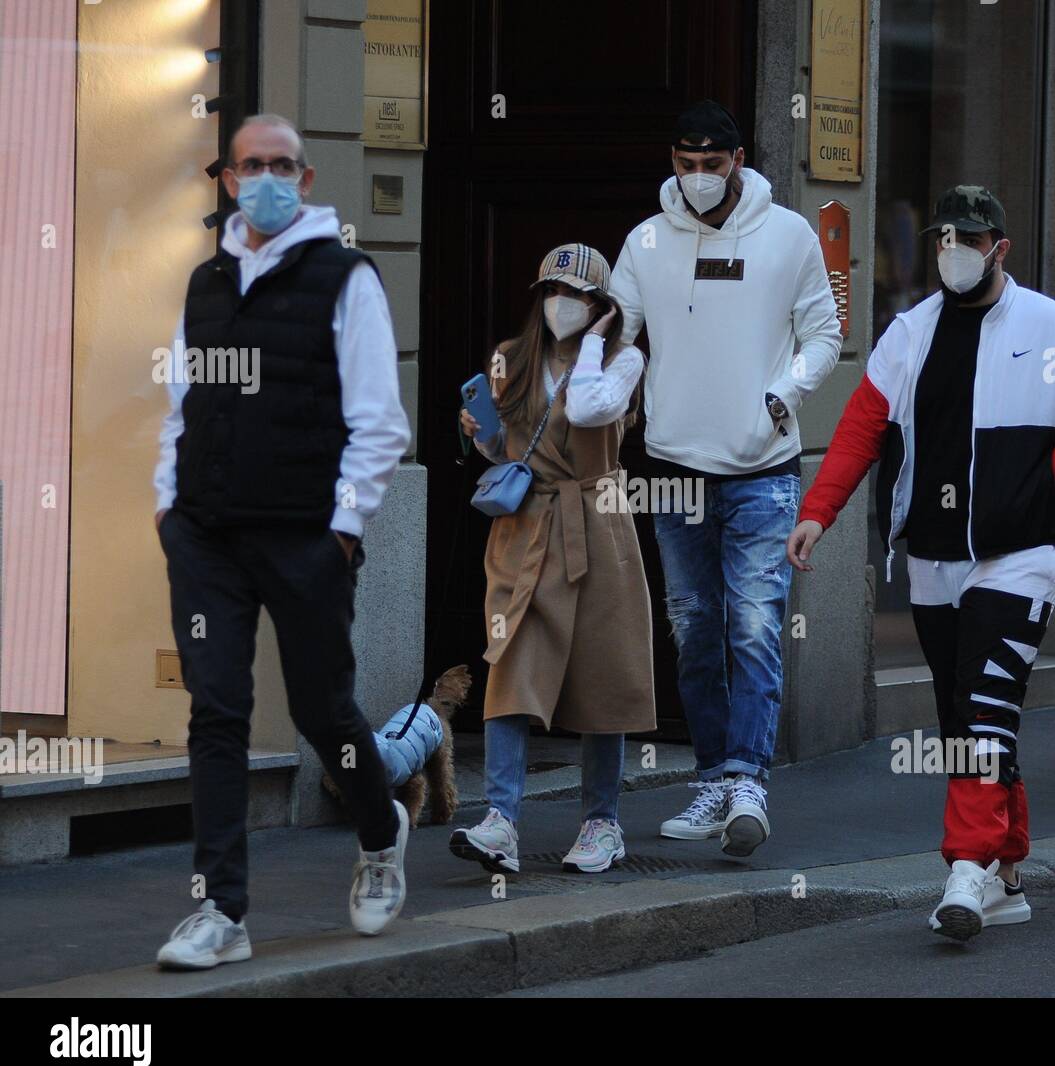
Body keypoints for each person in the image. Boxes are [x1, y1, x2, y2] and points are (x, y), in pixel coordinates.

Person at [788, 185, 1055, 941]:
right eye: (943, 237)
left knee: (985, 705)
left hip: (1022, 555)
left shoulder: (1051, 323)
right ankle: (1007, 869)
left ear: (999, 248)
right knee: (962, 712)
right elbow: (859, 429)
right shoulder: (908, 332)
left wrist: (1044, 487)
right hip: (936, 558)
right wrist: (817, 513)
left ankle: (965, 867)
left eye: (968, 240)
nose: (952, 251)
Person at [152, 114, 412, 968]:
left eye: (281, 165)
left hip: (304, 535)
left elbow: (380, 421)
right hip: (207, 534)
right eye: (249, 164)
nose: (264, 177)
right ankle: (221, 910)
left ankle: (381, 830)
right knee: (216, 708)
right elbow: (184, 405)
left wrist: (342, 528)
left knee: (321, 712)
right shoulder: (206, 283)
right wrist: (168, 503)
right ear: (227, 179)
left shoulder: (345, 277)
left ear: (304, 181)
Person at [609, 100, 843, 856]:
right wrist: (606, 394)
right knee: (695, 630)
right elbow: (616, 332)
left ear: (739, 160)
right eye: (686, 165)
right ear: (672, 163)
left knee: (755, 622)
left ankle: (747, 777)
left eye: (713, 164)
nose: (700, 178)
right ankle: (713, 775)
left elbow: (825, 333)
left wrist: (784, 396)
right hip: (674, 464)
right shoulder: (646, 241)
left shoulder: (789, 235)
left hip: (762, 469)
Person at [451, 243, 655, 874]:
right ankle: (501, 821)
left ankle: (602, 823)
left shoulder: (623, 360)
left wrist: (596, 341)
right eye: (552, 292)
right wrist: (480, 434)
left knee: (604, 675)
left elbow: (592, 407)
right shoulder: (508, 359)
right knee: (509, 664)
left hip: (598, 522)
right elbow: (501, 452)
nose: (561, 305)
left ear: (602, 308)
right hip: (526, 523)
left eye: (579, 297)